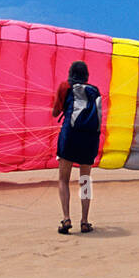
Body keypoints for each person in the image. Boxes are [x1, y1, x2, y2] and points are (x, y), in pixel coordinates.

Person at [52, 60, 101, 233]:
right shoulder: (94, 91)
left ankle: (66, 219)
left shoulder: (65, 87)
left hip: (70, 136)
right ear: (86, 75)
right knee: (85, 180)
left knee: (63, 179)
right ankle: (85, 221)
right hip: (90, 139)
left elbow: (55, 112)